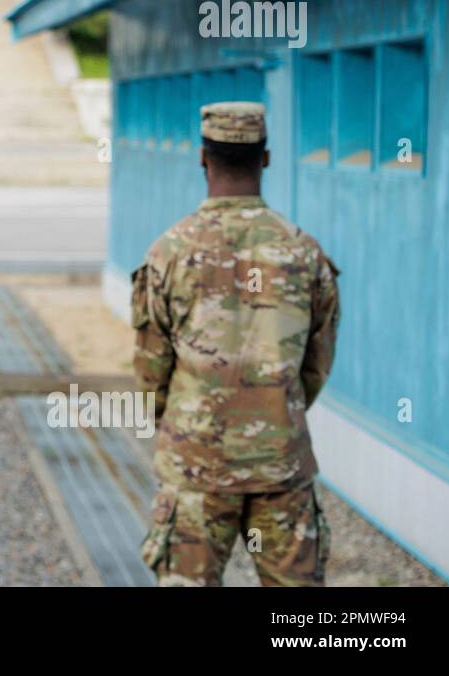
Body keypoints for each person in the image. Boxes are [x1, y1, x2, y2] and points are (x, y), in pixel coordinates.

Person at [134, 101, 340, 587]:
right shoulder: (303, 251)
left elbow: (151, 370)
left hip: (195, 468)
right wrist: (272, 408)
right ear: (265, 158)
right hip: (280, 465)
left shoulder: (169, 252)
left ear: (203, 157)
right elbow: (317, 365)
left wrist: (183, 426)